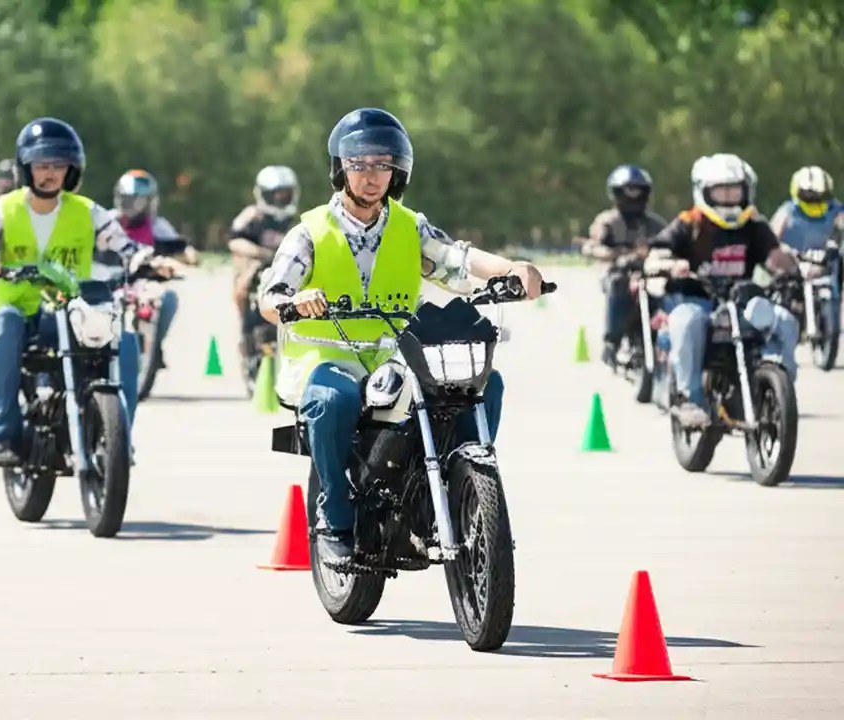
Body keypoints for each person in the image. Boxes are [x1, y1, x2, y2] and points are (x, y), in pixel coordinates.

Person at [257, 108, 548, 562]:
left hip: (397, 353)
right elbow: (271, 296)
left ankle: (457, 488)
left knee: (482, 385)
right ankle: (333, 515)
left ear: (397, 171)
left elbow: (456, 259)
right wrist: (295, 300)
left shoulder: (410, 227)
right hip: (327, 356)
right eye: (359, 164)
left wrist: (512, 269)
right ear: (341, 168)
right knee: (334, 400)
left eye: (382, 164)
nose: (371, 176)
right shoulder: (309, 232)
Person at [0, 118, 173, 467]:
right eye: (42, 165)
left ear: (71, 170)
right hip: (16, 312)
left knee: (124, 341)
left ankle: (118, 439)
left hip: (65, 311)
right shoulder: (2, 208)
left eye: (59, 166)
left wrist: (149, 261)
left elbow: (125, 246)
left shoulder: (89, 212)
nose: (50, 173)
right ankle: (3, 434)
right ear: (26, 168)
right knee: (7, 323)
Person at [645, 153, 800, 428]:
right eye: (721, 190)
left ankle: (776, 385)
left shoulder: (754, 224)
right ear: (704, 191)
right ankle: (689, 398)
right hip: (697, 299)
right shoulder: (690, 222)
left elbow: (774, 257)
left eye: (734, 189)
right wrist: (670, 264)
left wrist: (791, 265)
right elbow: (656, 253)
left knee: (784, 321)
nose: (729, 196)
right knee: (688, 321)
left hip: (742, 302)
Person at [581, 165, 668, 365]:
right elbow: (592, 247)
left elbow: (670, 244)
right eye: (628, 190)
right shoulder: (607, 221)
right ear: (617, 193)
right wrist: (613, 256)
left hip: (649, 274)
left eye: (637, 190)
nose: (633, 196)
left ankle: (663, 338)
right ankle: (612, 341)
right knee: (618, 283)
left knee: (667, 290)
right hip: (616, 273)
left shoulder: (656, 223)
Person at [111, 169, 197, 364]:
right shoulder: (108, 221)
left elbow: (179, 247)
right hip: (112, 280)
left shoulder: (157, 225)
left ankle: (154, 344)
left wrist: (187, 255)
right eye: (129, 200)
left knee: (168, 299)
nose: (133, 206)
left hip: (144, 282)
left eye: (139, 201)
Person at [230, 165, 301, 365]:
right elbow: (235, 240)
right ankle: (246, 335)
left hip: (285, 268)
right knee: (244, 284)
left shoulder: (295, 220)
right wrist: (262, 253)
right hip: (256, 267)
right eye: (275, 195)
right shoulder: (251, 216)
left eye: (285, 194)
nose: (280, 199)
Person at [769, 165, 844, 253]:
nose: (813, 199)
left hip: (829, 263)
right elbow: (770, 240)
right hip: (792, 263)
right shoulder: (788, 210)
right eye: (808, 194)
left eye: (818, 195)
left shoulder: (835, 209)